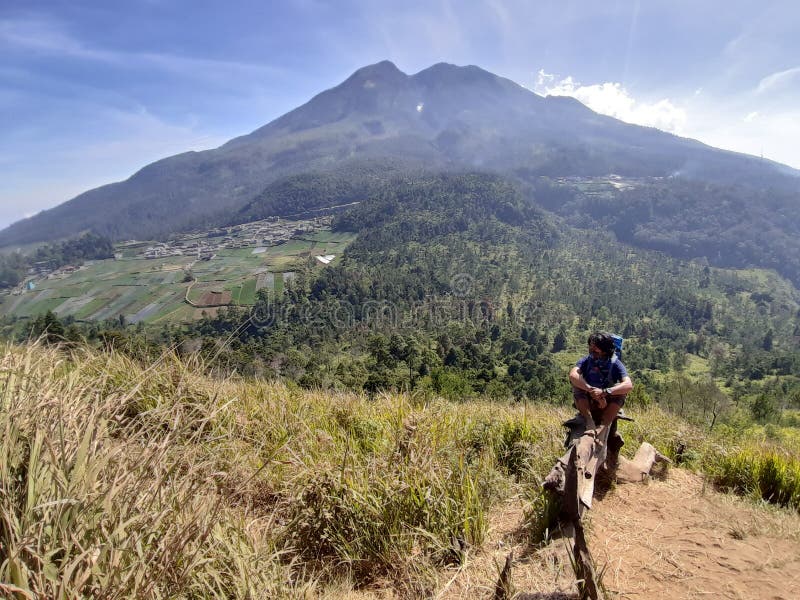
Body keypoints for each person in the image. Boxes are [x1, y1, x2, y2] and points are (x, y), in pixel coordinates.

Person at [569, 332, 633, 447]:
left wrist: (605, 392)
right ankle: (589, 421)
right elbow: (573, 375)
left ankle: (603, 427)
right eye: (590, 347)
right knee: (577, 386)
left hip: (606, 399)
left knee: (621, 393)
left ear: (605, 351)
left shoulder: (615, 364)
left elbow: (628, 385)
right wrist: (590, 389)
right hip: (590, 397)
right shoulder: (586, 361)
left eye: (595, 349)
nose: (591, 350)